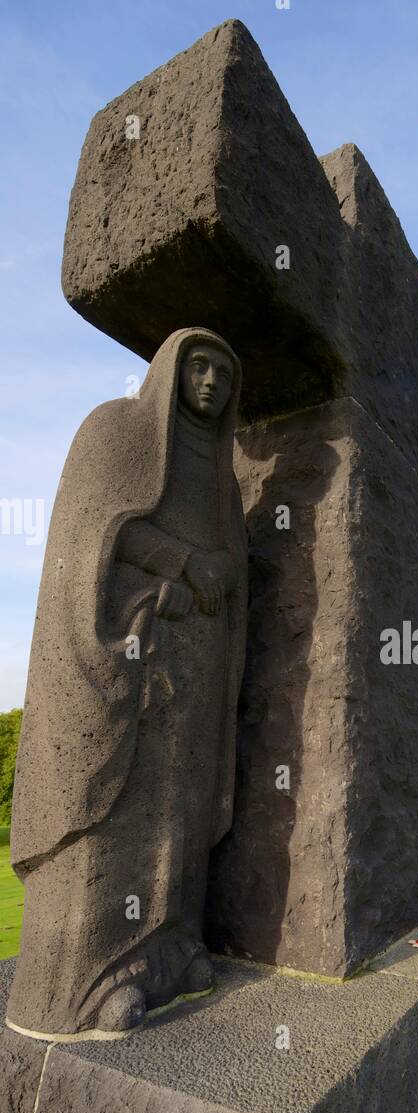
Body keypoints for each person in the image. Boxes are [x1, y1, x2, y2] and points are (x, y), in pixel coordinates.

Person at [6, 328, 247, 1040]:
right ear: (171, 370)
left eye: (223, 374)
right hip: (135, 654)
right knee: (124, 810)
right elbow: (89, 537)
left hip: (197, 666)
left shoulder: (224, 481)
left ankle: (166, 954)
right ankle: (88, 985)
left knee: (181, 805)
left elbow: (232, 568)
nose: (211, 382)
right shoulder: (114, 432)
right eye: (199, 366)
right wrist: (176, 566)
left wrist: (221, 576)